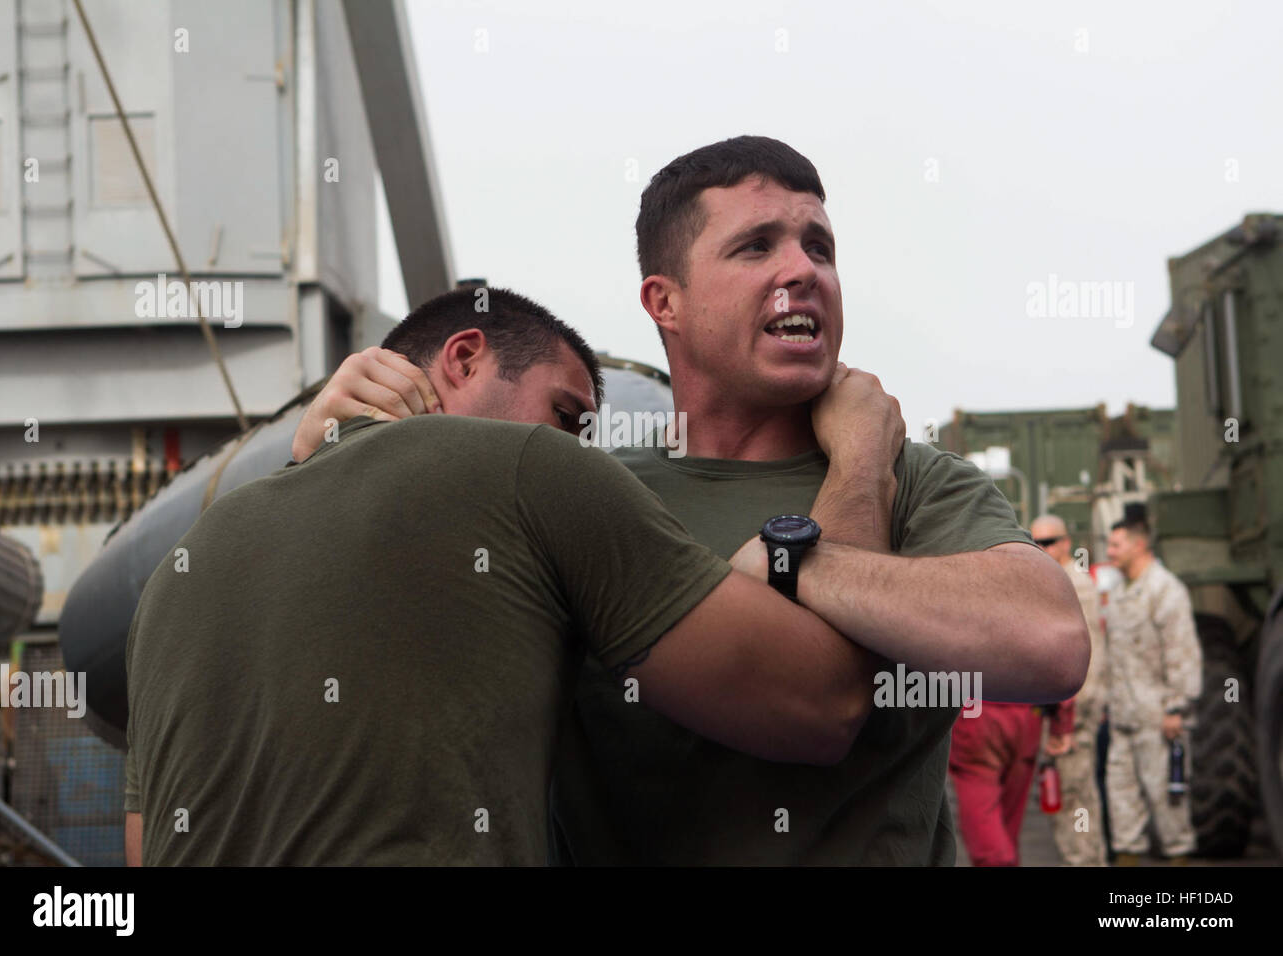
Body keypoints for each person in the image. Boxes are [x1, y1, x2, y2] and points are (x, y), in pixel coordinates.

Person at [293, 136, 1090, 865]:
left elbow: (1051, 641)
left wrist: (810, 540)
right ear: (663, 302)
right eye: (756, 246)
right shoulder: (581, 492)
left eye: (820, 246)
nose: (802, 269)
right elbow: (375, 666)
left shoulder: (914, 480)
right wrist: (325, 473)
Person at [122, 288, 878, 866]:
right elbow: (825, 702)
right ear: (464, 357)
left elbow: (143, 844)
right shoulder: (528, 472)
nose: (582, 447)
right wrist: (861, 460)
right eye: (567, 414)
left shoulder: (181, 569)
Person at [1103, 512, 1202, 865]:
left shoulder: (1165, 590)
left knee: (1168, 806)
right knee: (1123, 806)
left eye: (1116, 543)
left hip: (1159, 718)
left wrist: (1177, 707)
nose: (1109, 550)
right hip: (1124, 719)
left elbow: (1182, 652)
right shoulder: (1117, 593)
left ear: (1139, 544)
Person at [1029, 514, 1109, 866]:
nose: (1041, 549)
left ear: (1065, 543)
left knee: (1076, 798)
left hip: (1073, 714)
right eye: (1036, 543)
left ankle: (1086, 861)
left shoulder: (1075, 586)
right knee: (1064, 795)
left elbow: (1084, 659)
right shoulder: (1056, 582)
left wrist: (1071, 720)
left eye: (1048, 542)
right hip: (1062, 712)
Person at [948, 693, 1072, 866]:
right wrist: (1062, 721)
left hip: (976, 714)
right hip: (1027, 714)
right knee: (1007, 825)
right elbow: (1062, 670)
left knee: (986, 821)